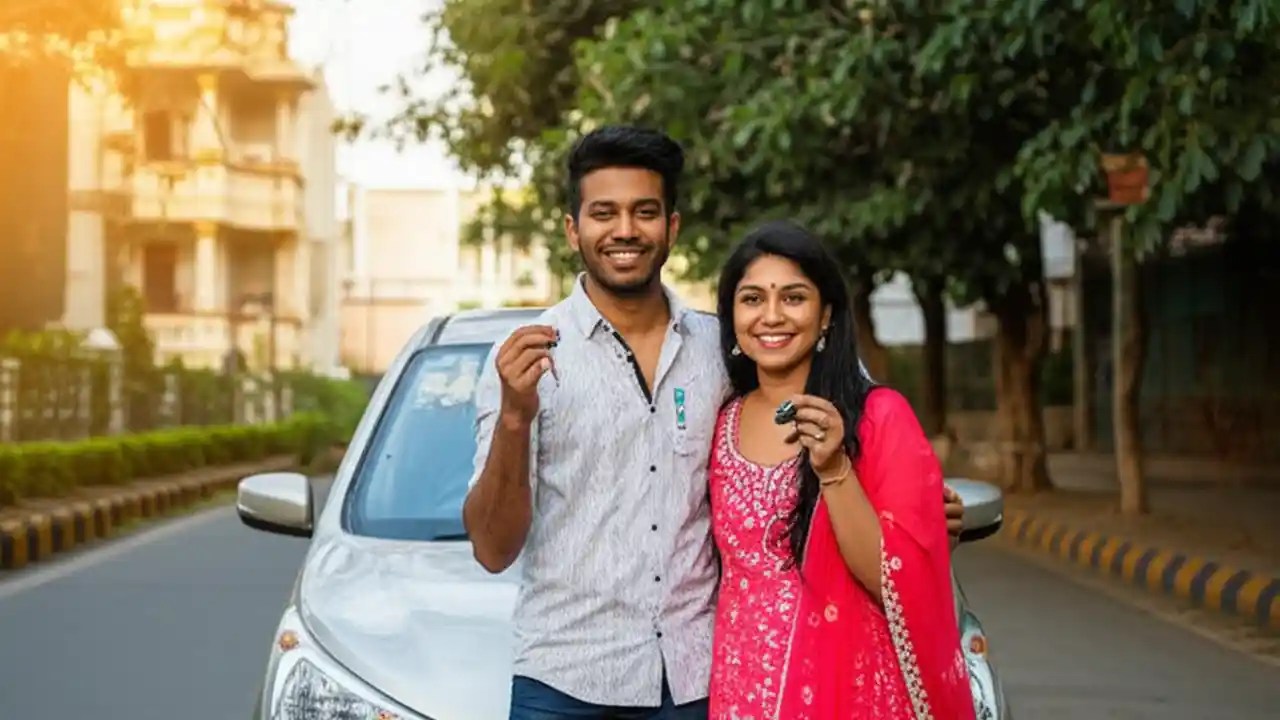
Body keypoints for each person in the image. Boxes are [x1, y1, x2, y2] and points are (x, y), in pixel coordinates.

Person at [463, 125, 966, 719]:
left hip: (700, 683)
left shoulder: (723, 352)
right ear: (573, 229)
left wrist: (917, 512)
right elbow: (493, 550)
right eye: (604, 212)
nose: (625, 229)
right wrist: (516, 421)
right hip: (564, 681)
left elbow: (842, 404)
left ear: (671, 228)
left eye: (644, 211)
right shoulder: (526, 362)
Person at [707, 219, 977, 720]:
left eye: (792, 297)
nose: (771, 316)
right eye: (751, 299)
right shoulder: (719, 421)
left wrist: (834, 470)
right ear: (731, 316)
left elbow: (892, 578)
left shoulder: (878, 418)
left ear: (826, 314)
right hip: (740, 688)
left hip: (849, 692)